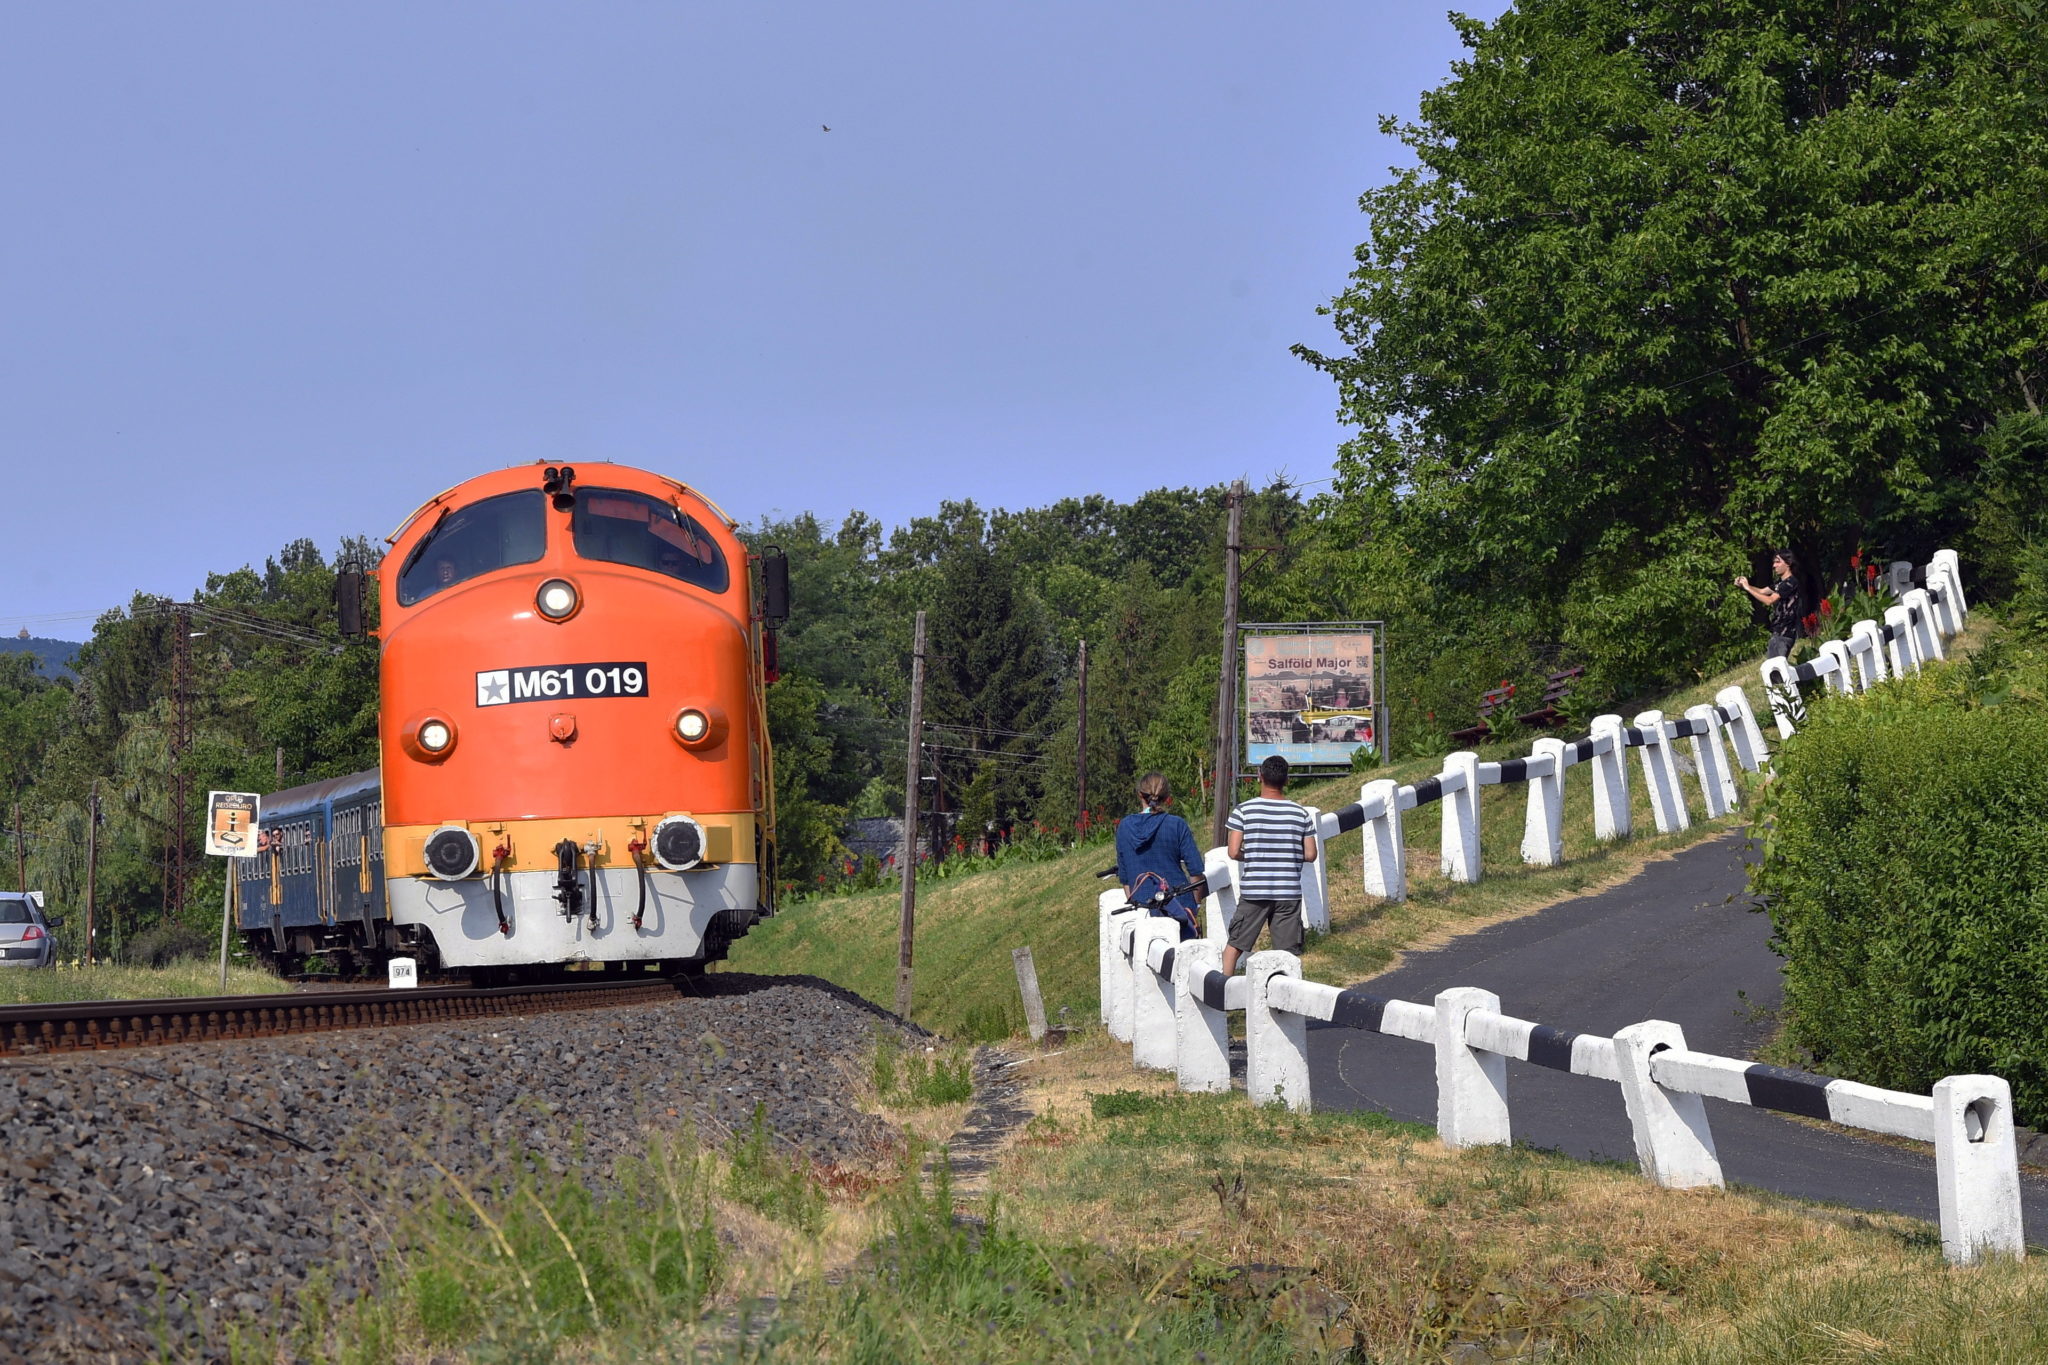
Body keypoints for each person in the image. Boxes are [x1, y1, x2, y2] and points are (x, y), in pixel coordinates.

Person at [1222, 755, 1318, 975]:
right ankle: (1286, 1001)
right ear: (1286, 780)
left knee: (1234, 946)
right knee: (1287, 955)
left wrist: (1256, 854)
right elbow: (1311, 854)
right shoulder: (1300, 813)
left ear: (1260, 777)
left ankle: (1222, 997)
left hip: (1254, 891)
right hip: (1288, 892)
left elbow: (1234, 851)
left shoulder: (1243, 811)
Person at [1114, 773, 1206, 941]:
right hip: (1179, 906)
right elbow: (1196, 870)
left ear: (1140, 794)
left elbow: (1125, 878)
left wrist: (1135, 903)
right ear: (1166, 796)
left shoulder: (1124, 827)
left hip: (1143, 908)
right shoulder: (1177, 824)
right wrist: (1195, 904)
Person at [1736, 549, 1806, 660]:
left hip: (1785, 633)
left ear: (1788, 563)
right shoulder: (1780, 583)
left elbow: (1769, 600)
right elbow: (1762, 591)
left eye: (1778, 562)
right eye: (1774, 562)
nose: (1774, 565)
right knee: (1773, 668)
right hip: (1777, 633)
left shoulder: (1790, 582)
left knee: (1776, 670)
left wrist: (1748, 588)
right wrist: (1744, 585)